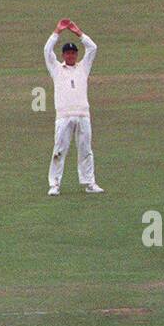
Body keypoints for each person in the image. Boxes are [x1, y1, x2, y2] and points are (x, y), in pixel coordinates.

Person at [44, 19, 102, 195]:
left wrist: (79, 33)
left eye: (73, 53)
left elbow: (93, 48)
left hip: (83, 115)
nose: (70, 55)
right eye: (68, 53)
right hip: (63, 116)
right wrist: (57, 32)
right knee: (59, 150)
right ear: (63, 55)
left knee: (85, 150)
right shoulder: (56, 69)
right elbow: (47, 51)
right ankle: (54, 184)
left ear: (77, 55)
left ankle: (89, 183)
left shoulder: (83, 67)